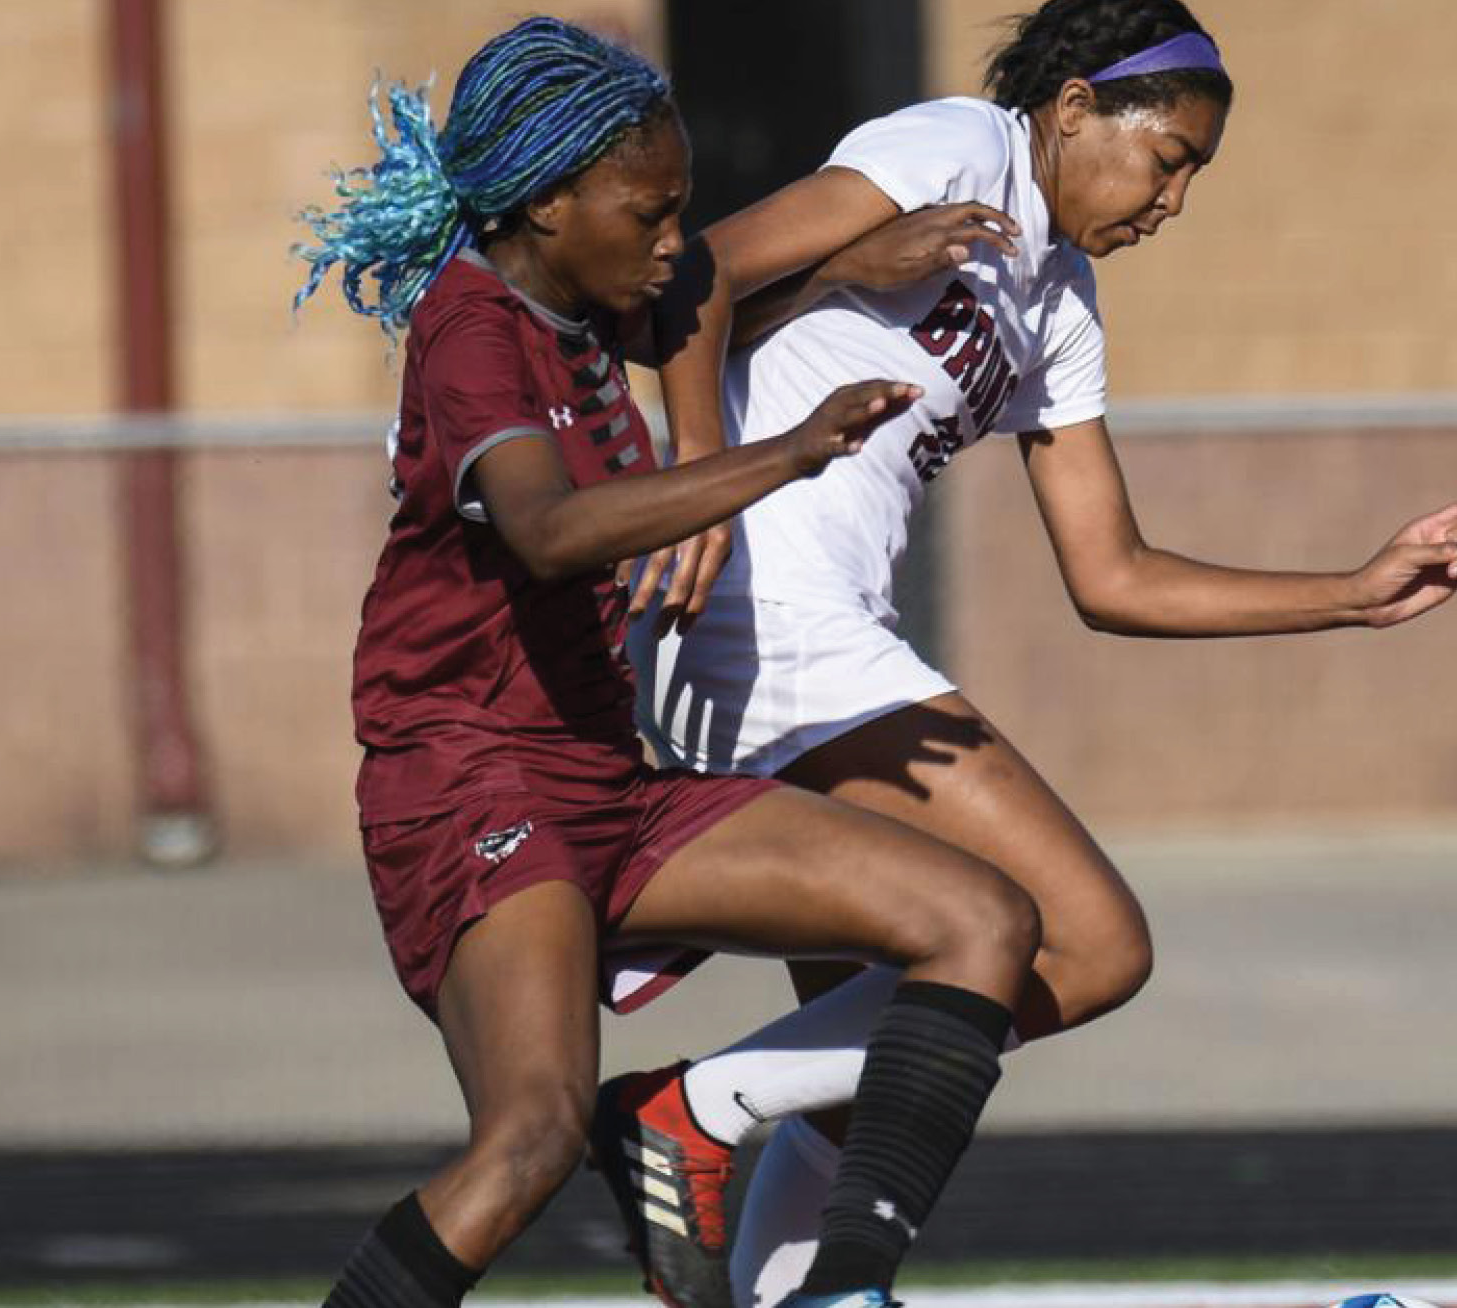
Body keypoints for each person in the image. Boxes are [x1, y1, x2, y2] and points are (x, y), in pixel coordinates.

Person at [626, 1, 1457, 1303]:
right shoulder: (957, 147)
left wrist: (1357, 594)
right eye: (1170, 159)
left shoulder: (1062, 300)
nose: (1176, 200)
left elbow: (1115, 575)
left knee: (869, 1069)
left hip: (808, 638)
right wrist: (699, 478)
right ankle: (692, 1109)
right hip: (769, 619)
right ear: (1077, 106)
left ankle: (777, 1264)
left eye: (1197, 174)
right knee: (1088, 944)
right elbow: (684, 282)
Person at [293, 17, 1045, 1308]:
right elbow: (545, 530)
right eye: (648, 213)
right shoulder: (472, 326)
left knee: (983, 921)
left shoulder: (586, 304)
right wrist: (777, 456)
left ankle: (842, 1286)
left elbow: (702, 290)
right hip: (470, 787)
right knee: (531, 1135)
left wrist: (854, 266)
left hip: (605, 783)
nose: (669, 240)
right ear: (546, 200)